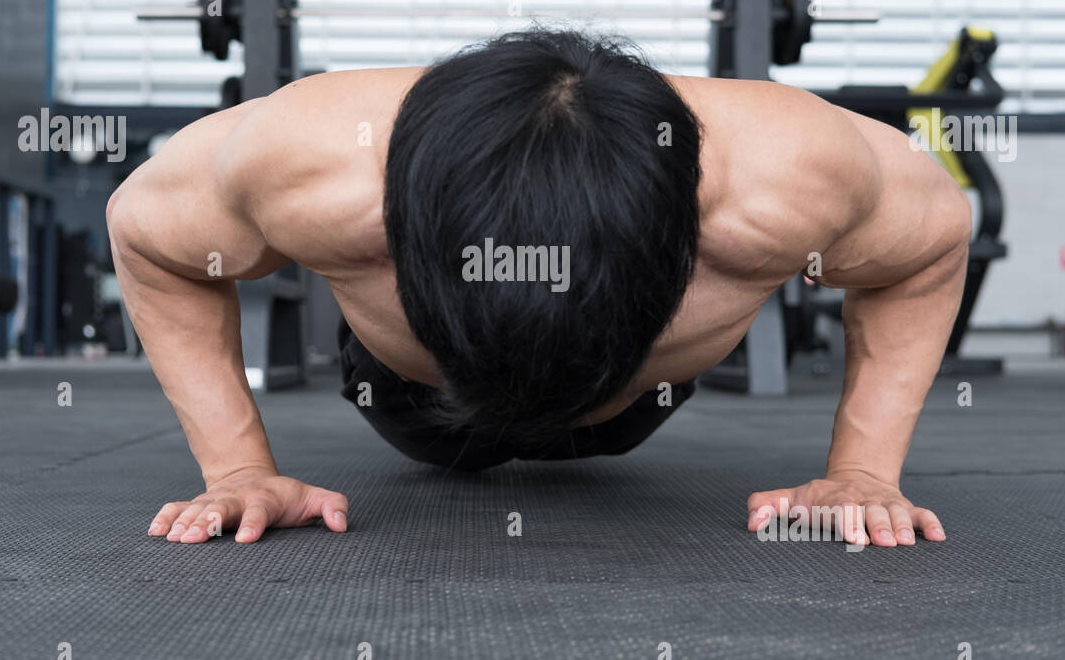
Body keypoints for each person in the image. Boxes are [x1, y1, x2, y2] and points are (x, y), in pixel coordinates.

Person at [108, 29, 966, 548]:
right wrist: (237, 470)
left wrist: (863, 472)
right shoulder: (313, 168)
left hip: (634, 394)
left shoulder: (788, 179)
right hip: (422, 396)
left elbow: (929, 249)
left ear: (684, 242)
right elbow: (149, 237)